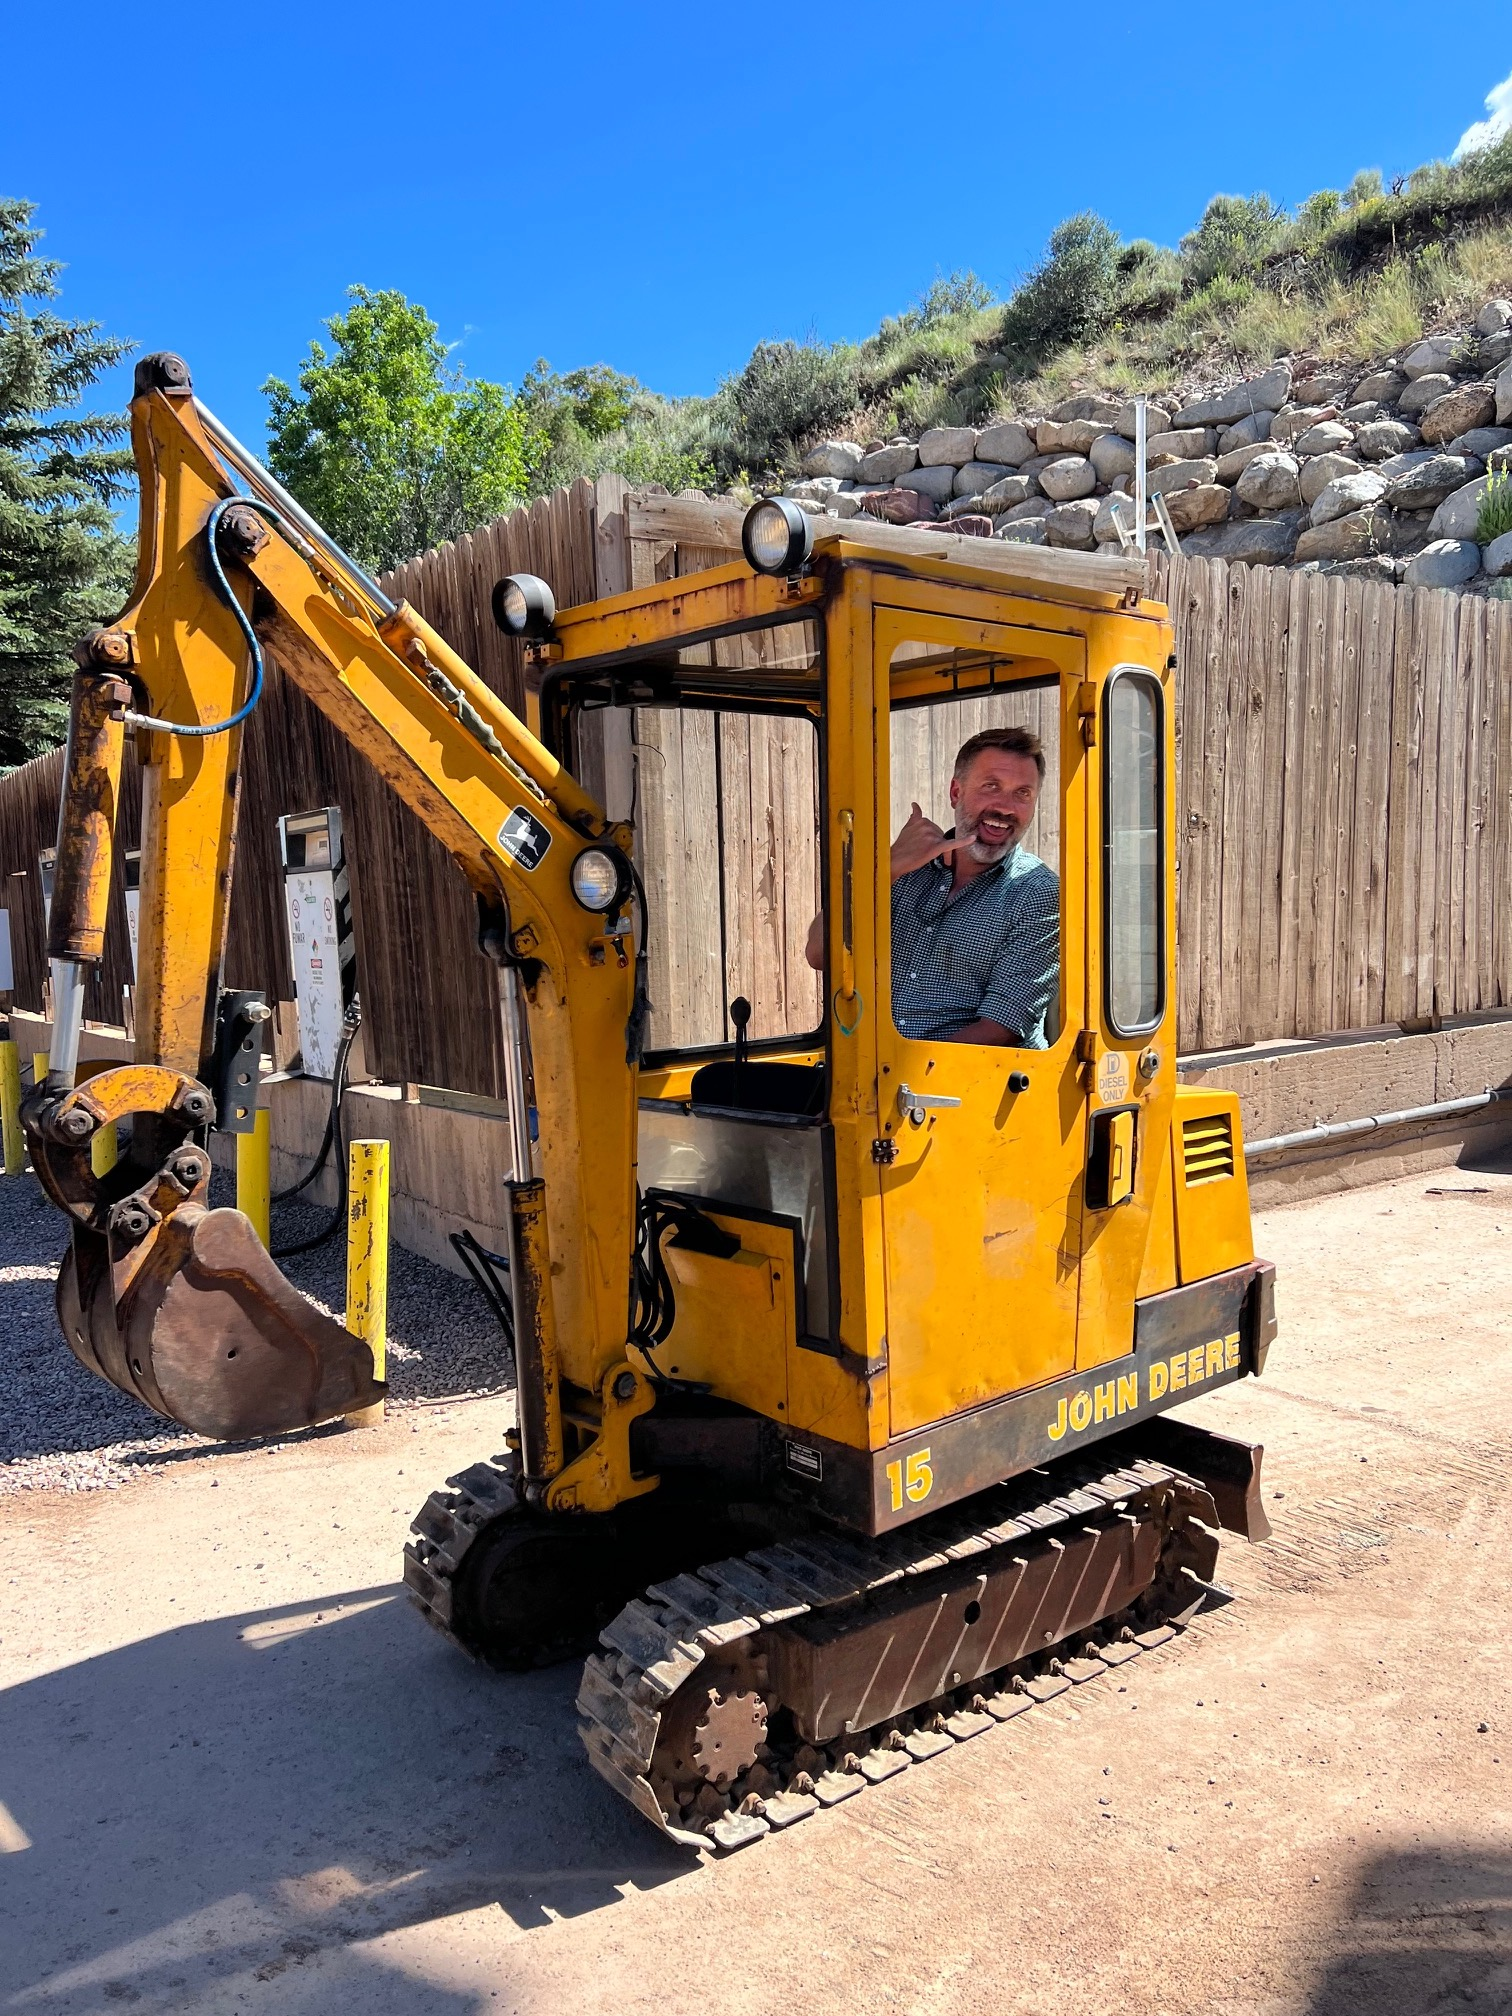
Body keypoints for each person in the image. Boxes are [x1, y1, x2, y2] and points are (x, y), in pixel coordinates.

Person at [805, 725, 1059, 1047]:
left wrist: (895, 1071)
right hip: (870, 1076)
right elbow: (818, 953)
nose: (1006, 807)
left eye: (1022, 793)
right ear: (956, 792)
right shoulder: (903, 869)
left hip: (970, 1087)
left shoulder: (1036, 892)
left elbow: (1001, 1029)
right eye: (991, 786)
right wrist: (885, 868)